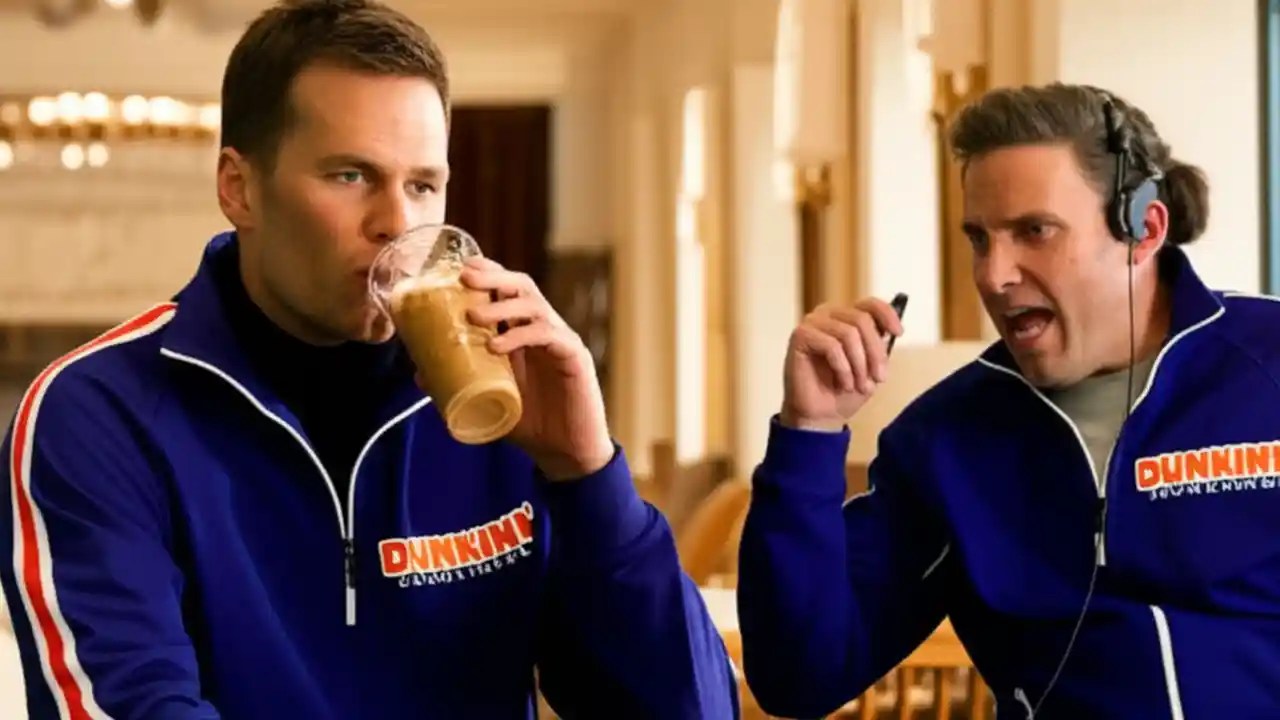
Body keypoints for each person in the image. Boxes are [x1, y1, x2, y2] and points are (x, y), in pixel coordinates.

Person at [0, 1, 737, 718]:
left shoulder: (509, 410)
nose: (397, 224)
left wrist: (587, 475)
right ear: (239, 188)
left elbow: (690, 709)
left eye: (423, 185)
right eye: (350, 176)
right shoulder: (93, 413)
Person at [736, 81, 1280, 719]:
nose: (994, 275)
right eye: (979, 239)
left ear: (1144, 228)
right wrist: (809, 434)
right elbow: (797, 677)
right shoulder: (945, 442)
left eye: (1034, 231)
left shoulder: (1267, 367)